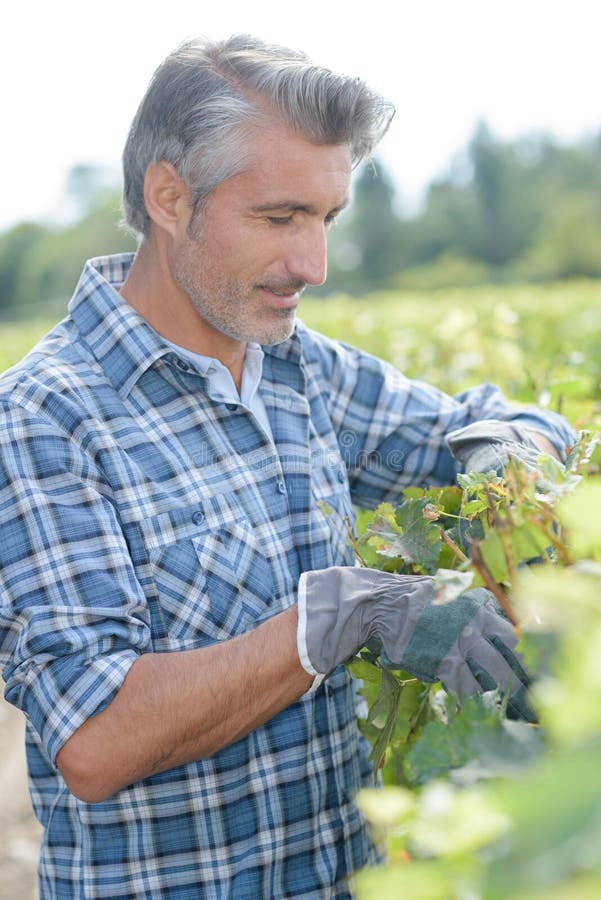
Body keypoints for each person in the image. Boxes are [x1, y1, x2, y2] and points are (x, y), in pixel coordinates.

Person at [0, 34, 573, 899]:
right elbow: (94, 739)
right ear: (168, 196)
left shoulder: (301, 370)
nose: (314, 265)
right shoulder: (42, 418)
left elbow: (490, 422)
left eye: (325, 218)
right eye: (279, 218)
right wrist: (342, 615)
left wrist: (507, 460)